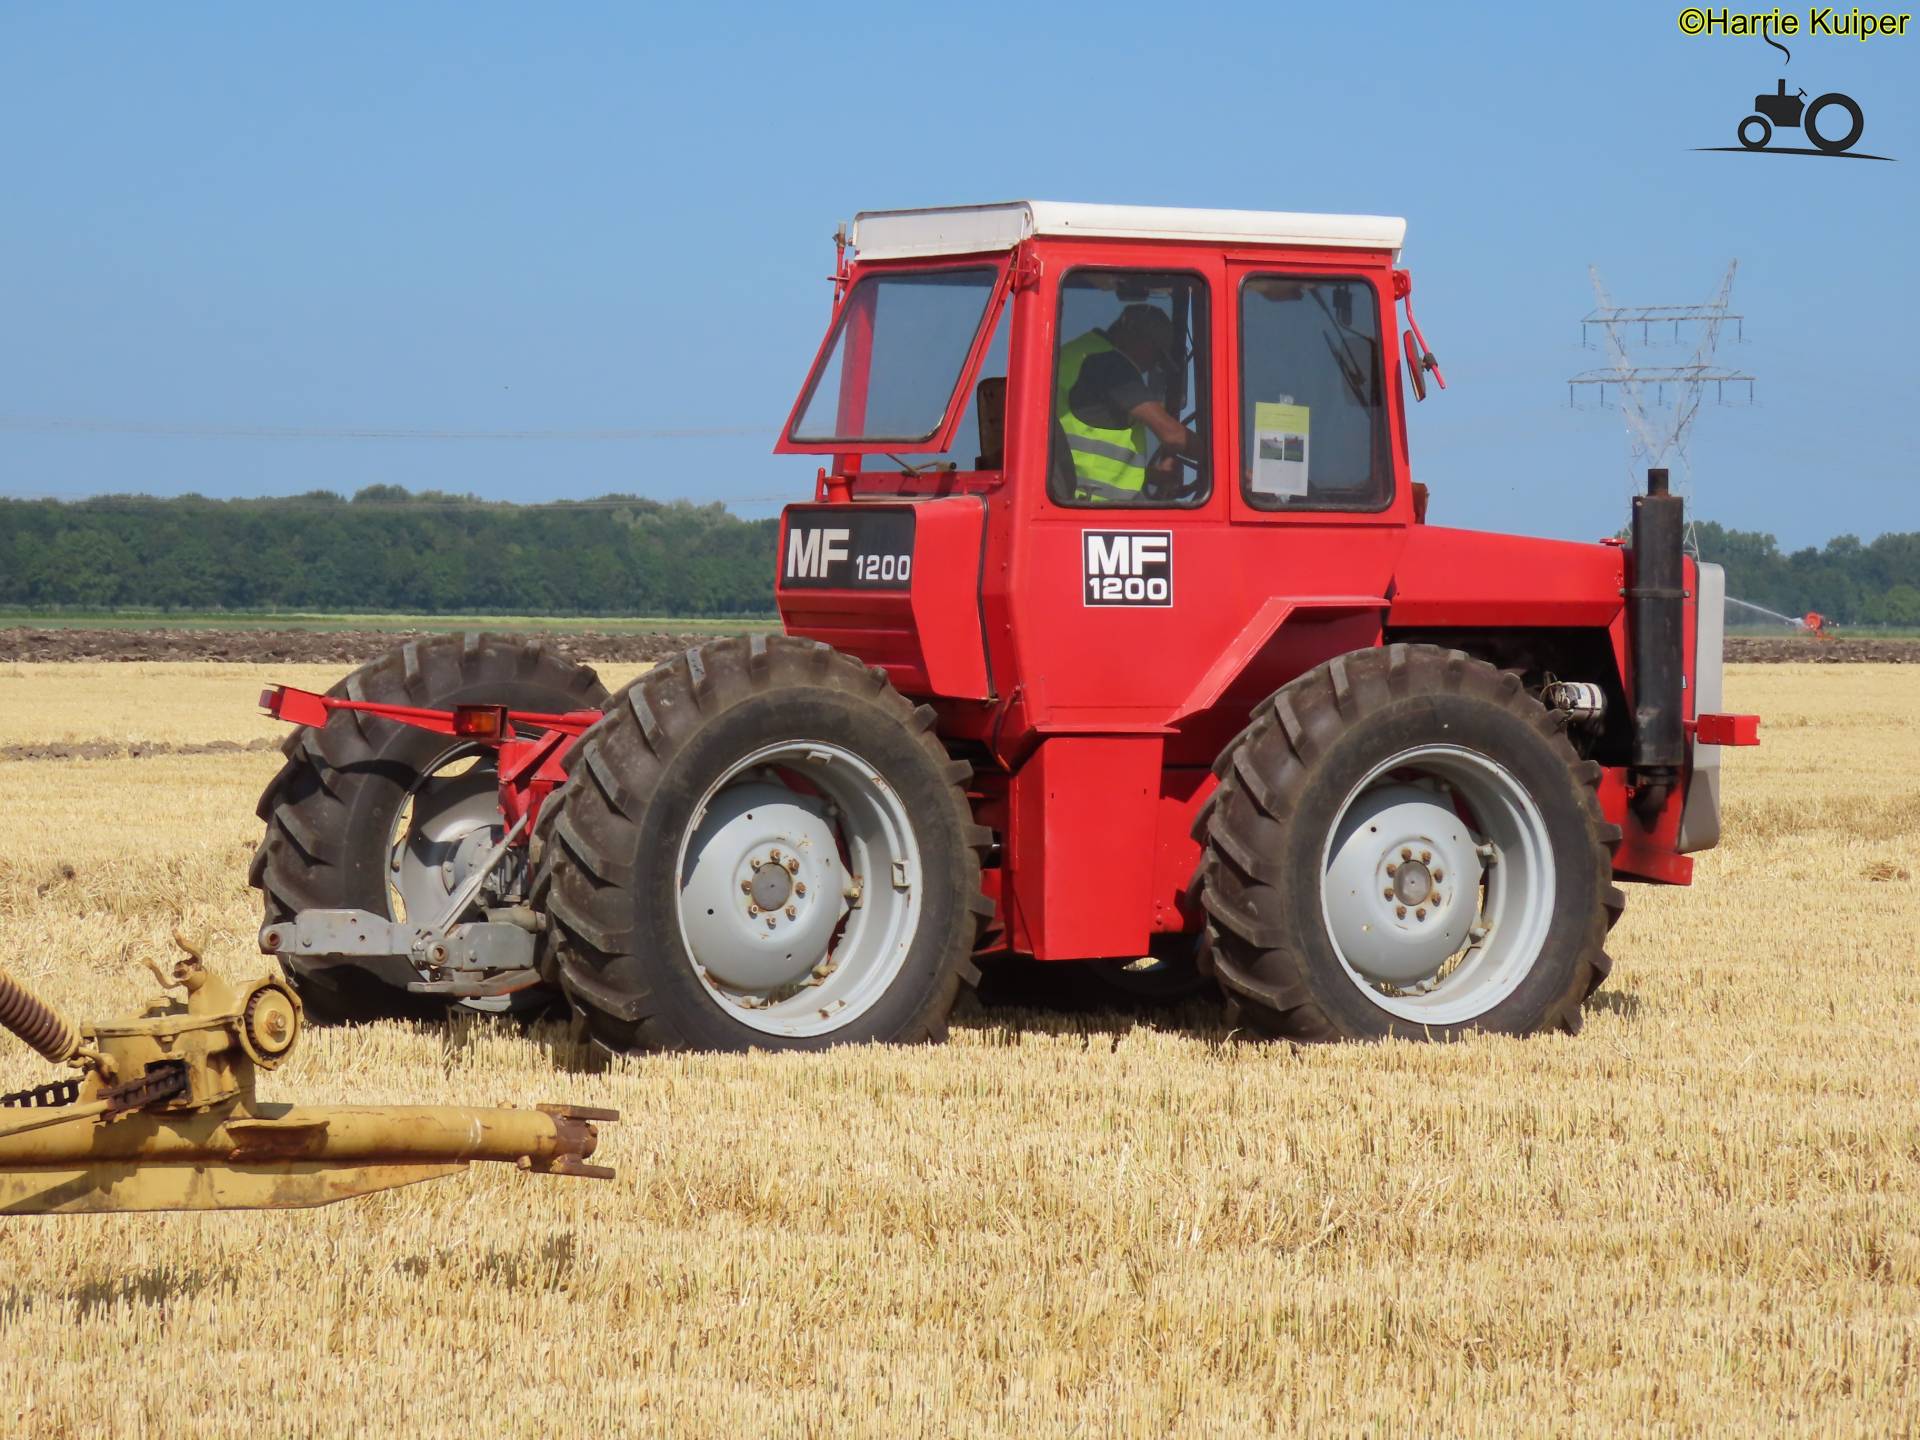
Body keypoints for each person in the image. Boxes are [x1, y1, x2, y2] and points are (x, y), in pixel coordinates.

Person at [1054, 304, 1197, 503]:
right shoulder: (1110, 364)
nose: (1150, 366)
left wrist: (1153, 476)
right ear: (1136, 337)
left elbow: (1083, 457)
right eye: (1156, 354)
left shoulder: (1078, 352)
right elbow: (1171, 434)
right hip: (1091, 505)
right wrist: (1229, 465)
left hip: (1073, 495)